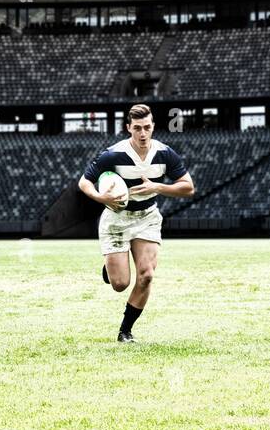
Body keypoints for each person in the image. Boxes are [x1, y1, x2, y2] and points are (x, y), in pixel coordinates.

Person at [77, 104, 194, 343]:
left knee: (147, 275)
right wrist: (101, 197)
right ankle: (111, 269)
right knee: (120, 284)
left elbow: (188, 187)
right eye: (137, 128)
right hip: (117, 219)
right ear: (129, 128)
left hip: (147, 217)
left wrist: (157, 186)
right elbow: (84, 182)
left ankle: (125, 331)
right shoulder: (113, 154)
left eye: (147, 127)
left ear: (153, 127)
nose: (143, 133)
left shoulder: (165, 154)